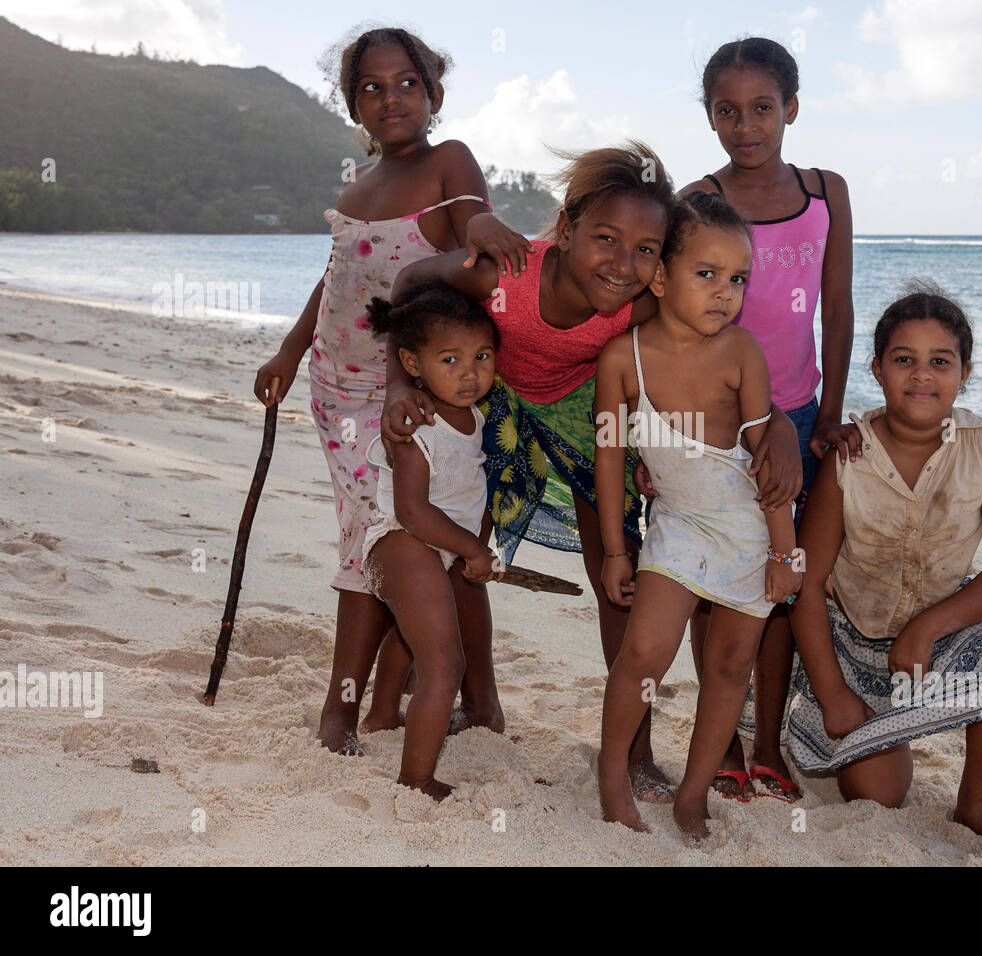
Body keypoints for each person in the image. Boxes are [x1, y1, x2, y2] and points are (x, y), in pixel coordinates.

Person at [386, 144, 805, 803]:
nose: (623, 263)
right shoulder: (504, 270)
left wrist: (775, 421)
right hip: (497, 397)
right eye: (605, 238)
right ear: (566, 226)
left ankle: (635, 753)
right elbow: (410, 284)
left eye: (646, 249)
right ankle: (481, 699)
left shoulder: (636, 305)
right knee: (469, 539)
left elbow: (708, 353)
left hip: (585, 408)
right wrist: (392, 386)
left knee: (621, 571)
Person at [252, 26, 528, 754]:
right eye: (371, 88)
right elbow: (336, 278)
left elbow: (470, 217)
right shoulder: (357, 185)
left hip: (408, 393)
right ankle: (374, 704)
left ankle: (364, 708)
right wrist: (288, 347)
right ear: (353, 106)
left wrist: (488, 222)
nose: (391, 98)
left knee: (398, 541)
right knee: (371, 541)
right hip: (333, 391)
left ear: (434, 91)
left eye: (407, 82)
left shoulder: (449, 160)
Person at [650, 36, 861, 801]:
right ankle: (724, 750)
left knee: (777, 583)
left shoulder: (825, 191)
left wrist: (828, 413)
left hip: (797, 416)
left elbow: (836, 312)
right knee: (715, 581)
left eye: (762, 108)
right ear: (709, 118)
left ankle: (768, 744)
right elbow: (666, 310)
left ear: (791, 110)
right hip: (709, 424)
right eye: (727, 111)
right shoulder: (696, 203)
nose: (747, 125)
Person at [789, 282, 982, 854]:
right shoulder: (850, 456)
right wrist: (833, 694)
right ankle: (882, 728)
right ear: (878, 368)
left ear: (965, 372)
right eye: (904, 360)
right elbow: (806, 584)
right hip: (851, 640)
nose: (922, 375)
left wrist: (929, 626)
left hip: (937, 635)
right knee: (875, 795)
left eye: (940, 362)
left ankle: (978, 806)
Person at [594, 190, 802, 841]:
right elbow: (607, 460)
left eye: (737, 278)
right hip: (676, 527)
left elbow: (768, 470)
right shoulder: (620, 358)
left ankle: (692, 793)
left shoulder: (743, 353)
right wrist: (615, 550)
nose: (723, 292)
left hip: (747, 530)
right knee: (645, 652)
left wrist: (785, 555)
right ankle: (610, 773)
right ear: (659, 277)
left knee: (730, 668)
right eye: (706, 274)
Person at [359, 280, 504, 800]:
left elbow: (467, 491)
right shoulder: (418, 424)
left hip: (435, 544)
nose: (470, 372)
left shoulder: (477, 417)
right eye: (450, 359)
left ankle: (380, 716)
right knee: (444, 664)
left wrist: (477, 541)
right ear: (412, 364)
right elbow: (413, 509)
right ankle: (417, 777)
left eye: (482, 356)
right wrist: (469, 548)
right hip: (403, 540)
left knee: (413, 635)